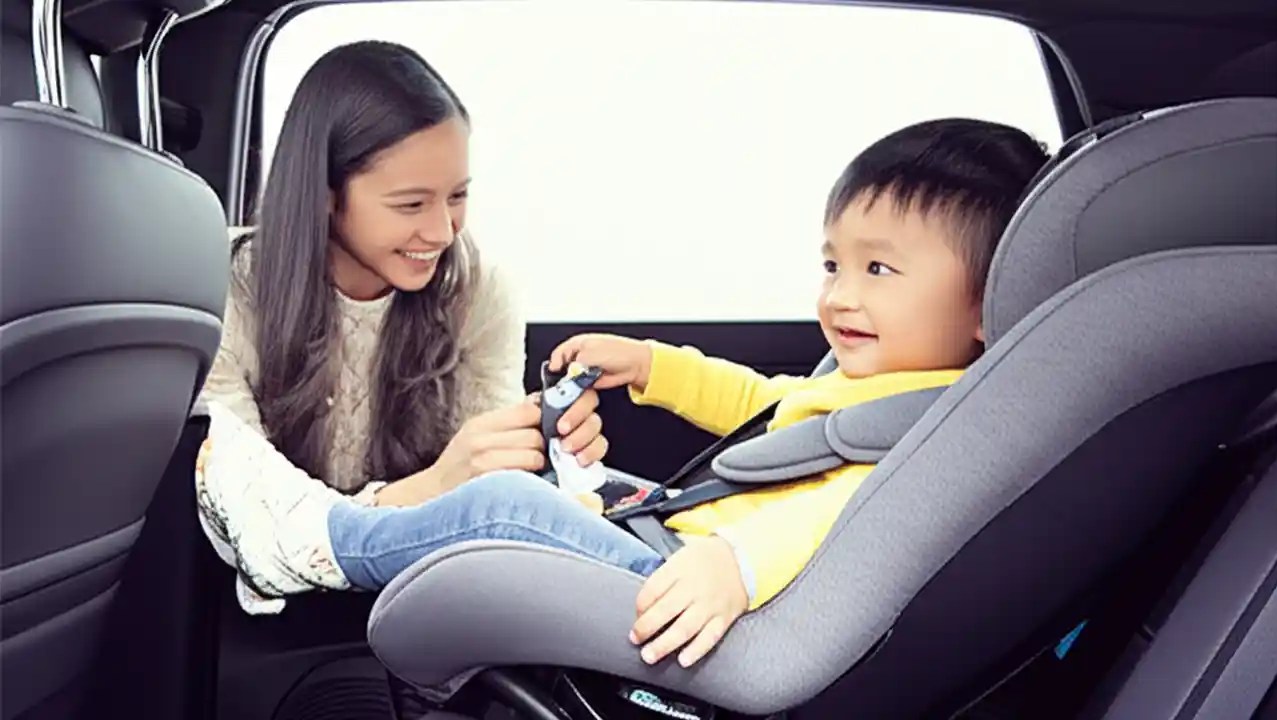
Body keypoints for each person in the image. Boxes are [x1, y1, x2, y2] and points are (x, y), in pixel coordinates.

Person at [201, 116, 1049, 668]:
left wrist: (738, 566)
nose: (839, 295)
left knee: (505, 505)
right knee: (544, 480)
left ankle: (320, 541)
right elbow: (766, 403)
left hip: (700, 588)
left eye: (879, 270)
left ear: (989, 301)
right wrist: (653, 364)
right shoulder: (874, 383)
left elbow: (857, 515)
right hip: (679, 548)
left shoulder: (946, 422)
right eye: (832, 264)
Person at [195, 40, 609, 615]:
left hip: (421, 603)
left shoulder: (478, 294)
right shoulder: (221, 288)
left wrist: (546, 456)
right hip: (259, 622)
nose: (442, 232)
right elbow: (248, 509)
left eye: (458, 197)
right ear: (325, 195)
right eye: (411, 205)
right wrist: (435, 490)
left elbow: (486, 507)